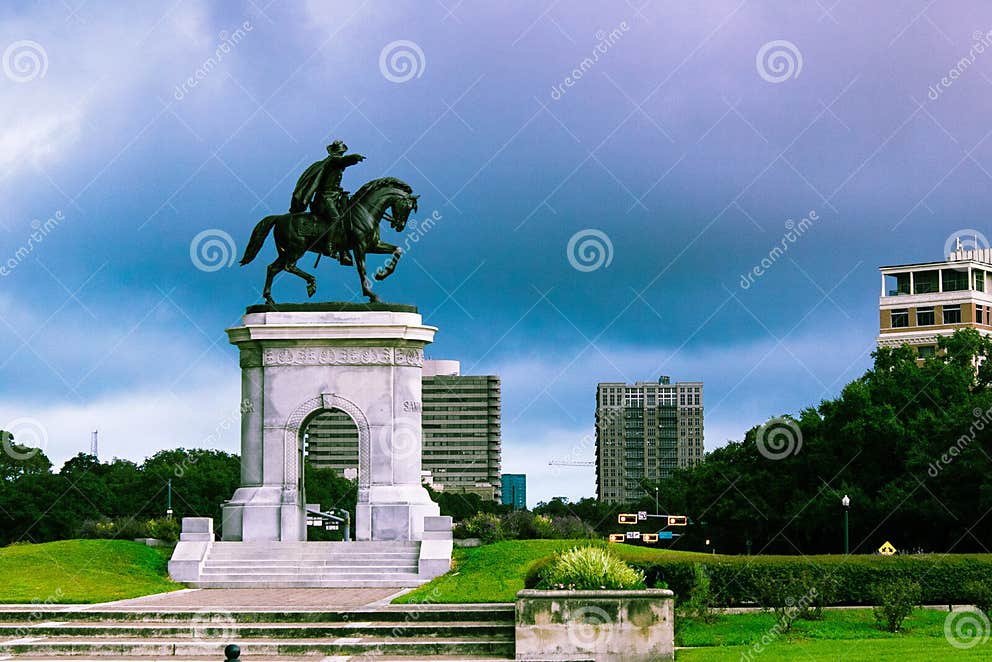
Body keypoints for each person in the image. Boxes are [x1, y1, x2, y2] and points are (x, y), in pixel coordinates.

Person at [290, 140, 366, 265]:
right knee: (336, 218)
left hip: (336, 196)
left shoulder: (335, 163)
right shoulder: (333, 160)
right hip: (325, 198)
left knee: (349, 215)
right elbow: (343, 161)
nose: (341, 154)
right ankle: (328, 246)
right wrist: (355, 158)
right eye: (340, 152)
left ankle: (344, 250)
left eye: (342, 152)